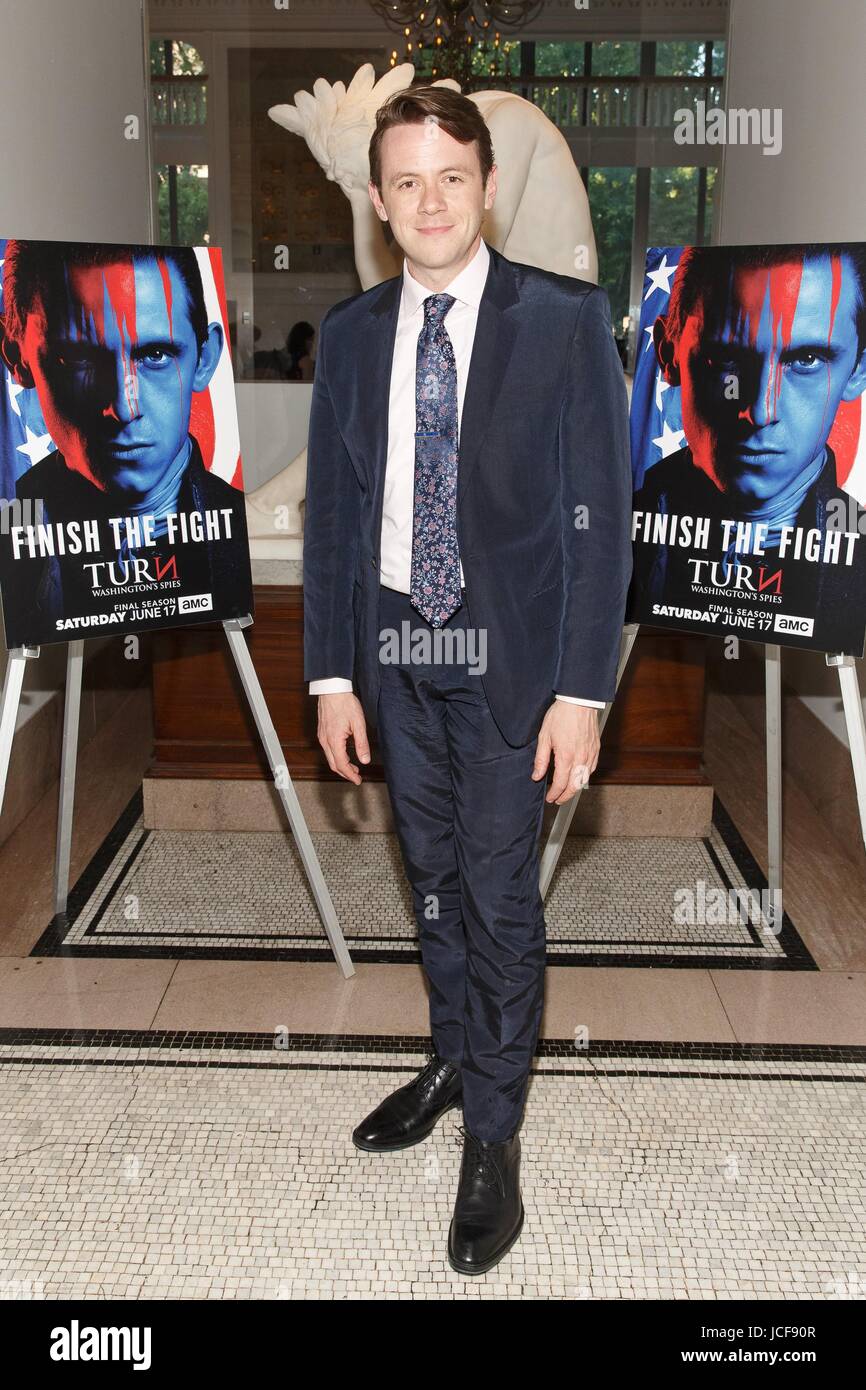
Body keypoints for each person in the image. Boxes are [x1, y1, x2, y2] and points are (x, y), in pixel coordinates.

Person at [302, 85, 632, 1275]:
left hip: (512, 662)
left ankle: (492, 1132)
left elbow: (601, 533)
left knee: (499, 897)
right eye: (405, 181)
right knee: (429, 875)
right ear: (380, 201)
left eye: (451, 176)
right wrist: (331, 675)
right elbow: (336, 518)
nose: (429, 200)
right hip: (395, 650)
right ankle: (451, 1055)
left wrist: (580, 695)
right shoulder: (348, 337)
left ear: (486, 187)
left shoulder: (564, 321)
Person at [0, 241, 251, 644]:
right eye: (78, 358)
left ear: (205, 359)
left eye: (155, 354)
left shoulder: (235, 534)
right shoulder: (14, 533)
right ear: (18, 359)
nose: (122, 405)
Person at [632, 244, 866, 653]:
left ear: (858, 370)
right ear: (669, 354)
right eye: (725, 358)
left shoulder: (857, 559)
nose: (760, 410)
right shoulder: (619, 532)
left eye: (807, 359)